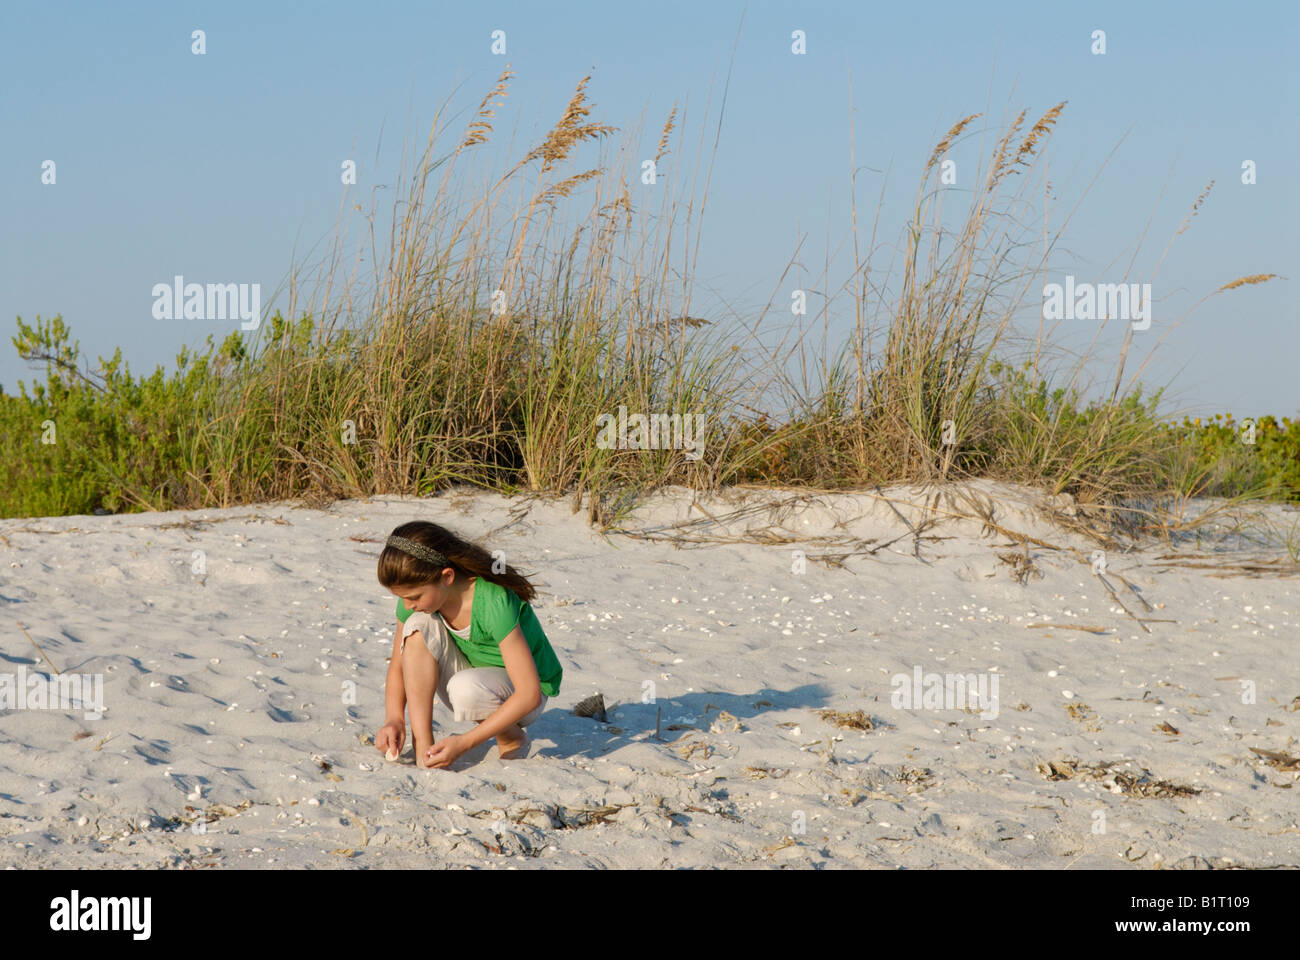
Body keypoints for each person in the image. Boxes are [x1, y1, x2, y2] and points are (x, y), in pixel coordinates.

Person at [373, 520, 563, 768]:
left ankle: (511, 739)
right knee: (417, 627)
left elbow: (530, 694)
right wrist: (394, 719)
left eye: (415, 597)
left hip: (525, 691)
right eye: (402, 598)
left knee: (467, 689)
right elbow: (399, 665)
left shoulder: (493, 599)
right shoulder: (414, 602)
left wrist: (464, 742)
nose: (407, 605)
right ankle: (424, 747)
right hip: (473, 676)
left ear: (447, 577)